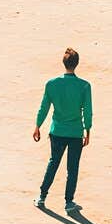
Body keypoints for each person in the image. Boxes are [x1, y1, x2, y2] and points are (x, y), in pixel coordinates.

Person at [33, 47, 93, 213]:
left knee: (53, 163)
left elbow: (44, 107)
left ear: (64, 63)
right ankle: (68, 202)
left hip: (57, 131)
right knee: (72, 168)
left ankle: (42, 196)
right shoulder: (84, 86)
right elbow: (87, 111)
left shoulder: (52, 84)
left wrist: (38, 126)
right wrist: (88, 130)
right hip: (75, 133)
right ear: (77, 64)